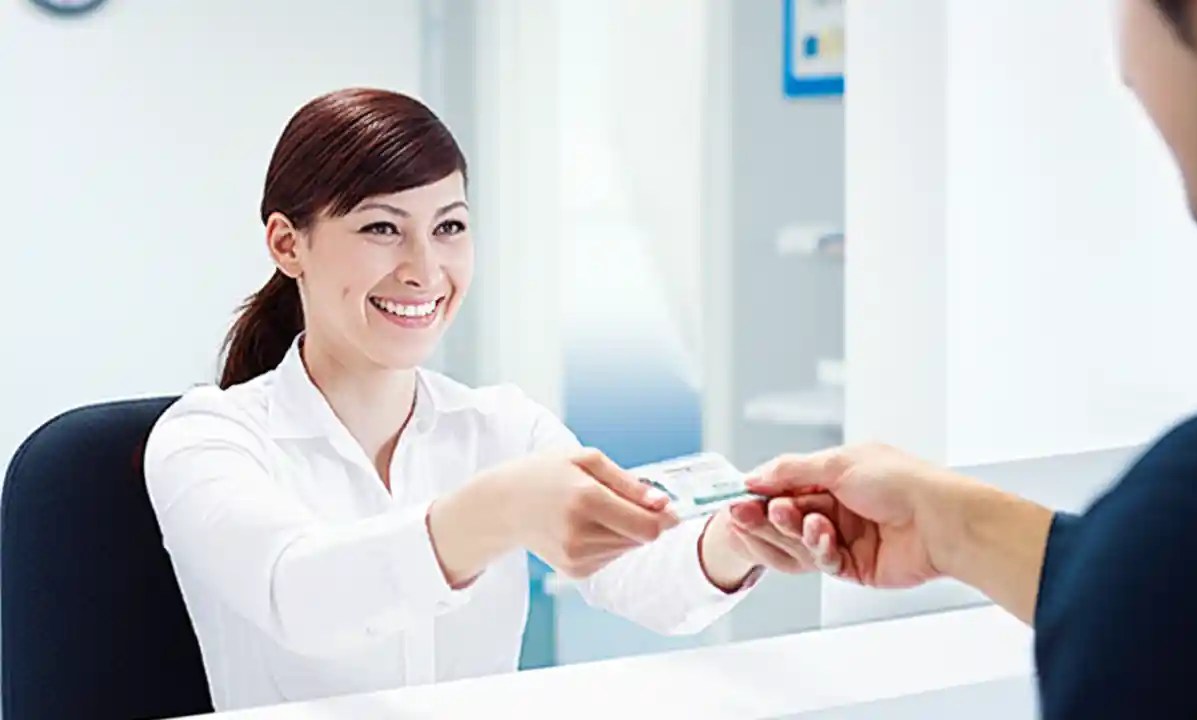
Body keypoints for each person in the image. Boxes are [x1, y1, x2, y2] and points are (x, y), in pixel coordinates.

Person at [142, 88, 824, 712]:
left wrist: (734, 539)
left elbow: (639, 574)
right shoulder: (206, 439)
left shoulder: (503, 425)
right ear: (288, 244)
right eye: (382, 229)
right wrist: (493, 515)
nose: (425, 269)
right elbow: (298, 595)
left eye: (449, 227)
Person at [742, 0, 1197, 716]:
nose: (1122, 65)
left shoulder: (1188, 556)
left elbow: (1196, 596)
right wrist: (958, 530)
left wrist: (1129, 575)